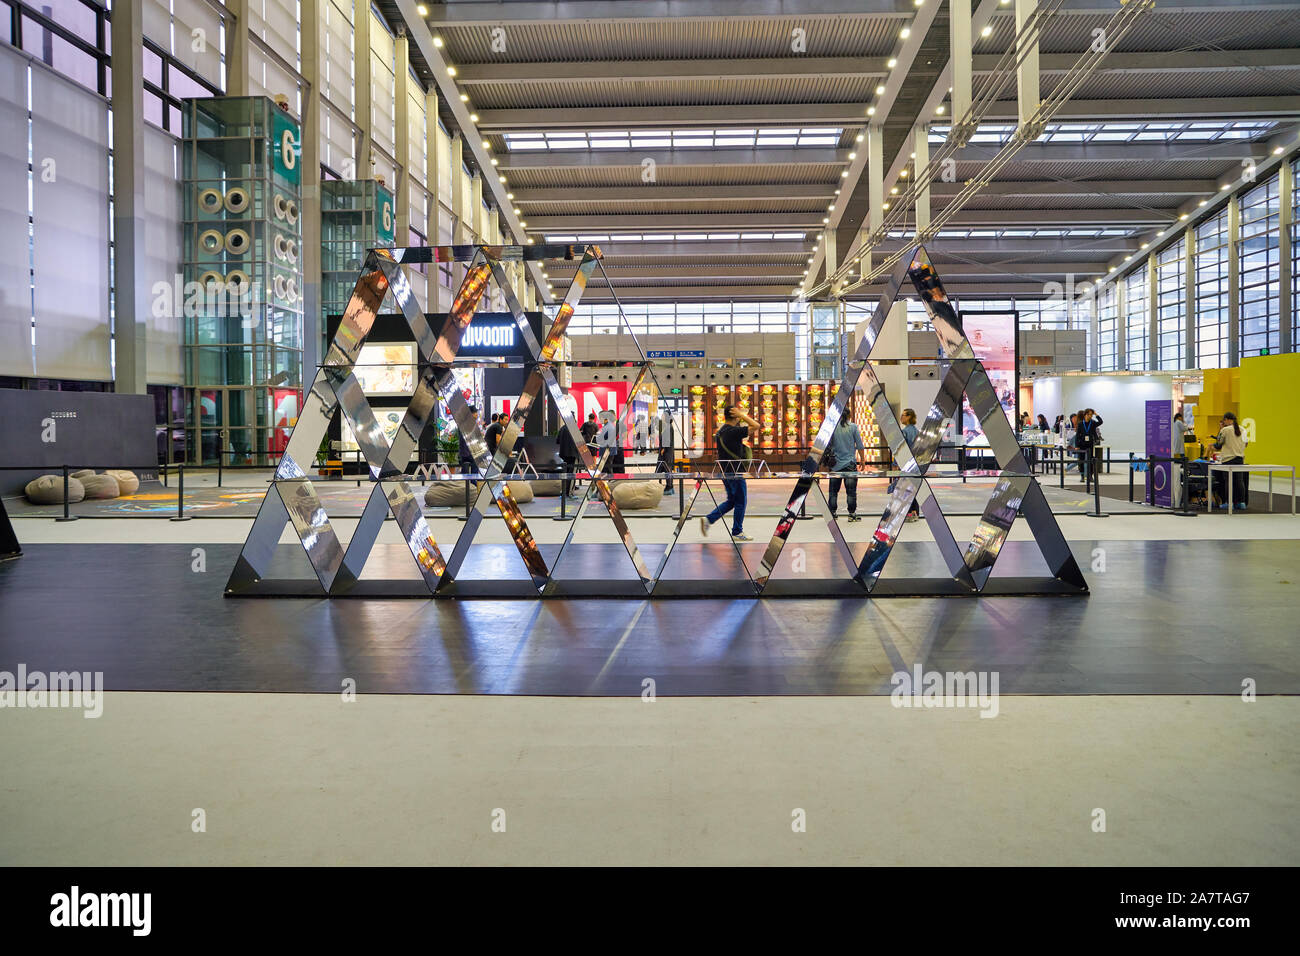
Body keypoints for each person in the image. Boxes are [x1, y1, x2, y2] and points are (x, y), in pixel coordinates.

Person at [701, 404, 760, 541]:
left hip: (725, 471)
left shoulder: (720, 431)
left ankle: (709, 519)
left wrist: (739, 415)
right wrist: (742, 416)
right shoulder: (734, 431)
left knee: (732, 500)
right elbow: (756, 426)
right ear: (734, 415)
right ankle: (737, 532)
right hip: (736, 472)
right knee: (741, 501)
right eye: (738, 413)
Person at [825, 413, 866, 522]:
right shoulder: (853, 427)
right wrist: (862, 460)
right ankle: (851, 514)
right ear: (849, 415)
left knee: (833, 491)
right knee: (851, 491)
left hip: (835, 465)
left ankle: (832, 513)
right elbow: (860, 445)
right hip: (850, 464)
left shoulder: (833, 427)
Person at [1211, 411, 1248, 510]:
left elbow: (1218, 445)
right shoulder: (1243, 429)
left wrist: (1211, 446)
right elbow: (1246, 444)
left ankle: (1229, 503)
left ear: (1227, 420)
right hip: (1240, 459)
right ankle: (1241, 503)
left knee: (1229, 482)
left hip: (1228, 459)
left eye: (1224, 420)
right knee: (1239, 481)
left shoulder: (1225, 430)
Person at [655, 409, 676, 495]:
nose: (662, 416)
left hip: (666, 453)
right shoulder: (667, 426)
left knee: (667, 469)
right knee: (667, 469)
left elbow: (667, 440)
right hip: (666, 452)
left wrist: (663, 449)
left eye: (663, 415)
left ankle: (669, 487)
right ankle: (669, 486)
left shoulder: (668, 426)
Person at [557, 421, 580, 498]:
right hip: (573, 455)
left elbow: (557, 441)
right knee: (572, 474)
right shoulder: (574, 429)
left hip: (564, 455)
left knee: (565, 474)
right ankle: (569, 493)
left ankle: (563, 492)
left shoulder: (562, 428)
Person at [457, 405, 480, 474]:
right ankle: (472, 484)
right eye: (476, 413)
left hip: (464, 451)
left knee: (465, 472)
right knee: (474, 472)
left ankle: (467, 484)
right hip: (470, 451)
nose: (477, 415)